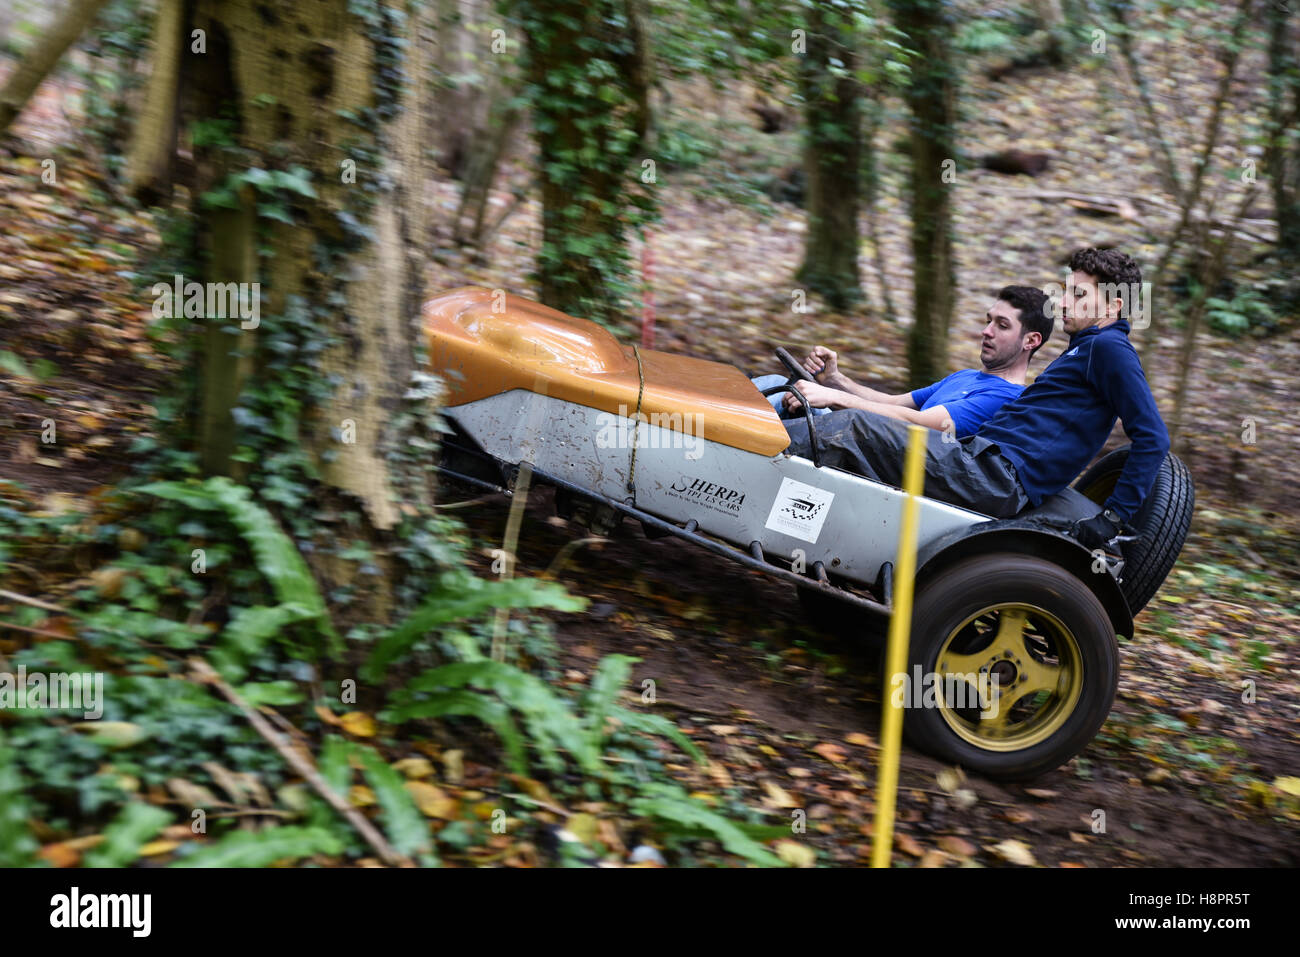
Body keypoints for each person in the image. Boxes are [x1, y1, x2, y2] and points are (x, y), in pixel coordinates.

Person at [782, 247, 1170, 553]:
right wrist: (833, 384)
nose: (1064, 303)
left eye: (1079, 294)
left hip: (996, 477)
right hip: (979, 462)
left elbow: (1152, 436)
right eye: (1066, 291)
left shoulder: (1109, 349)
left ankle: (757, 453)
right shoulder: (1086, 350)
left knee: (859, 427)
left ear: (1112, 306)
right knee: (859, 430)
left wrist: (1113, 518)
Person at [768, 285, 1053, 439]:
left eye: (1002, 325)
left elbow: (918, 423)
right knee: (779, 385)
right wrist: (834, 380)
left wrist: (834, 397)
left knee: (777, 396)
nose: (986, 331)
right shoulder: (966, 377)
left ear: (1031, 341)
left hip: (877, 465)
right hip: (864, 440)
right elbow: (894, 404)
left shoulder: (1005, 397)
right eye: (988, 320)